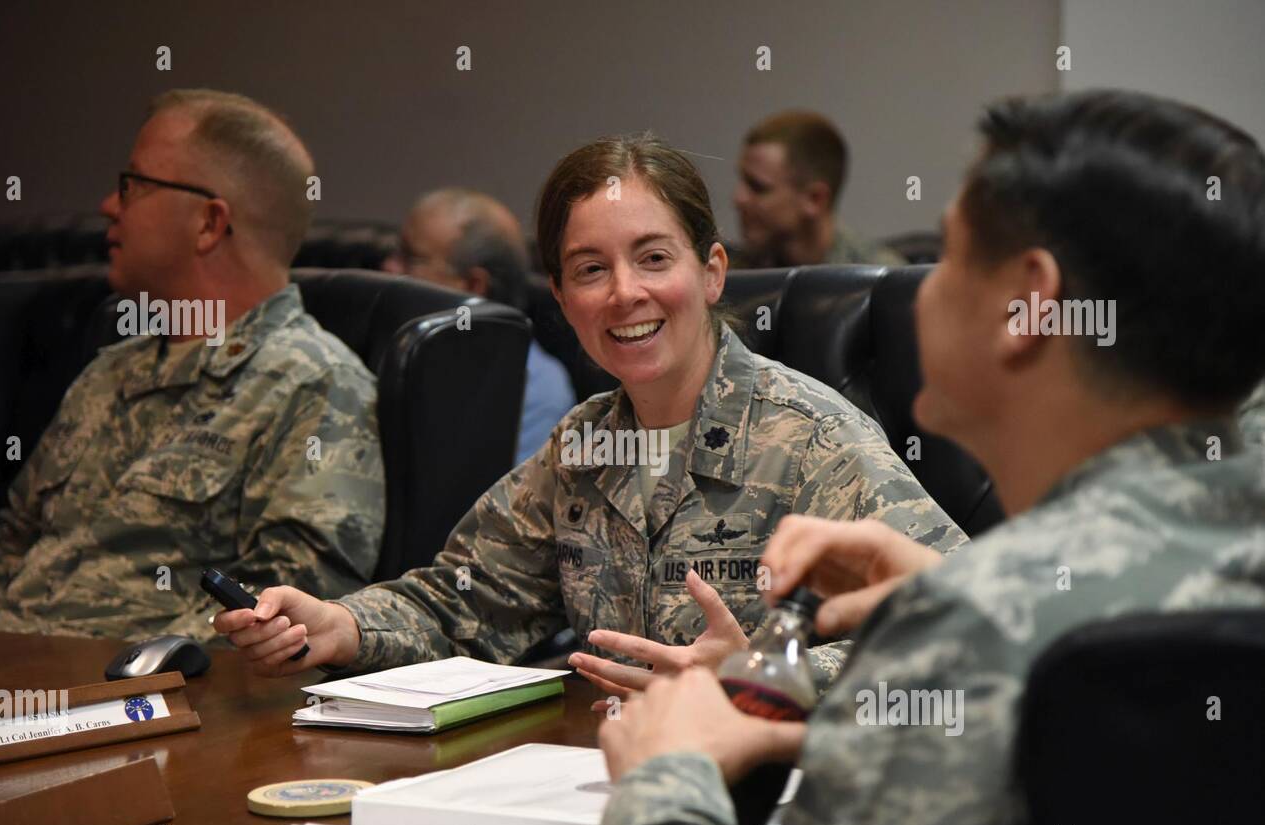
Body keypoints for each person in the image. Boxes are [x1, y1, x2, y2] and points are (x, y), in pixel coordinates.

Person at [591, 90, 1265, 825]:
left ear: (1029, 305)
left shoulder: (971, 627)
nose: (920, 291)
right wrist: (951, 594)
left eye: (945, 258)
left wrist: (667, 784)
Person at [213, 133, 963, 682]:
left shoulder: (809, 436)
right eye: (590, 270)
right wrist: (341, 622)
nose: (625, 293)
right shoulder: (584, 446)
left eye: (654, 257)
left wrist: (763, 675)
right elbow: (464, 601)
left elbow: (958, 622)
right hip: (592, 785)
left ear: (711, 273)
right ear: (564, 301)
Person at [0, 89, 384, 645]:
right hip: (5, 691)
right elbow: (9, 543)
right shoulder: (112, 370)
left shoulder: (314, 382)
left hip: (139, 706)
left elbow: (274, 614)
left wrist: (122, 681)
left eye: (133, 185)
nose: (108, 207)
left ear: (210, 223)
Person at [383, 188, 575, 463]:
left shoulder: (536, 390)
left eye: (411, 259)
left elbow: (515, 503)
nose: (388, 267)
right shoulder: (388, 348)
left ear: (474, 286)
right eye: (396, 252)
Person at [732, 110, 904, 269]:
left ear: (815, 199)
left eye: (758, 188)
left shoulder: (877, 281)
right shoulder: (731, 275)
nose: (738, 198)